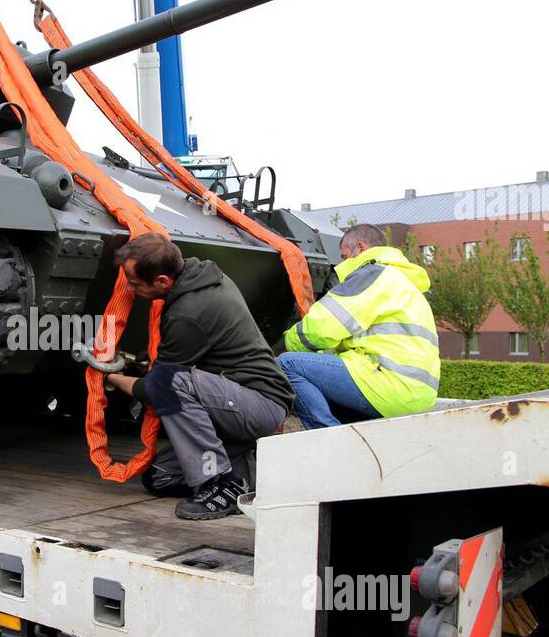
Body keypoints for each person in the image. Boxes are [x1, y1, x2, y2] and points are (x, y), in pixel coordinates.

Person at [106, 234, 294, 520]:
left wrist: (114, 379)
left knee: (171, 382)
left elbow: (161, 385)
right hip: (233, 401)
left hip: (260, 403)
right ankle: (242, 469)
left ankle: (222, 482)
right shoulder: (200, 277)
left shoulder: (188, 313)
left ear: (162, 282)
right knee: (159, 479)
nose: (130, 290)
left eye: (134, 283)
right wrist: (138, 363)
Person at [278, 223, 439, 430]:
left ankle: (329, 440)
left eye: (345, 257)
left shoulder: (372, 274)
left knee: (287, 365)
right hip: (415, 394)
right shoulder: (404, 282)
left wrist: (283, 343)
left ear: (360, 248)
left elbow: (322, 327)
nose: (343, 263)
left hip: (388, 383)